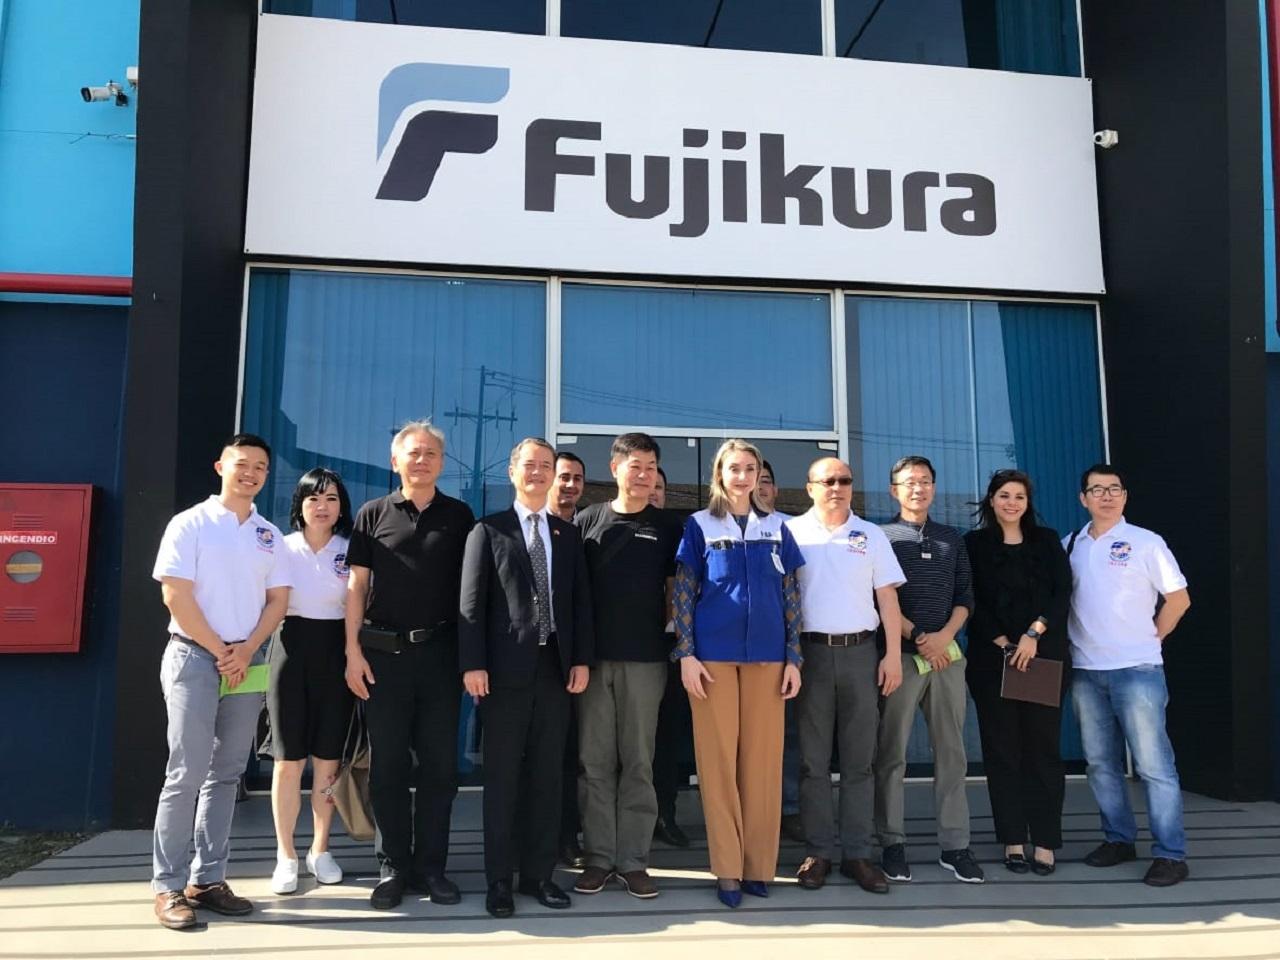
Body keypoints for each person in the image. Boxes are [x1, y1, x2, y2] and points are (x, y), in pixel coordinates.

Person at [150, 434, 291, 930]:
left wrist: (246, 650)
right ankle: (167, 886)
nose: (250, 473)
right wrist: (220, 650)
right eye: (241, 464)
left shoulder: (268, 534)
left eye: (260, 467)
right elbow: (175, 595)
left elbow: (278, 601)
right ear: (220, 467)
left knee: (227, 773)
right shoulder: (189, 523)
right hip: (193, 656)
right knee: (185, 772)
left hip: (247, 662)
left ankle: (207, 879)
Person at [460, 438, 595, 919]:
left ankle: (539, 875)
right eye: (530, 465)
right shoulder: (488, 530)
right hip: (502, 673)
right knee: (502, 778)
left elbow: (579, 603)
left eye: (546, 466)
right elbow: (471, 604)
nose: (538, 472)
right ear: (513, 471)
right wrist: (473, 664)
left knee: (547, 776)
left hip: (555, 670)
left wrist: (581, 659)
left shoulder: (567, 534)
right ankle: (499, 880)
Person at [343, 421, 475, 910]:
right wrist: (352, 652)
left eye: (431, 454)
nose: (422, 460)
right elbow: (356, 587)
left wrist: (470, 659)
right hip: (383, 659)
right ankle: (393, 866)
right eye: (413, 453)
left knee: (440, 769)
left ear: (442, 463)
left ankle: (432, 867)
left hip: (441, 657)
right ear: (395, 461)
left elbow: (471, 591)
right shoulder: (372, 513)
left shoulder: (459, 516)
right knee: (388, 768)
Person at [672, 438, 805, 908]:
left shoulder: (778, 527)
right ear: (720, 474)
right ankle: (727, 868)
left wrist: (794, 657)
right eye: (735, 468)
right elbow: (684, 592)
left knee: (763, 767)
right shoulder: (700, 525)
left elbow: (792, 595)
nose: (743, 476)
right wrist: (686, 654)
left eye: (751, 468)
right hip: (712, 660)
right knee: (718, 765)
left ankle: (757, 867)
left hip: (769, 658)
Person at [1066, 464, 1192, 887]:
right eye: (1096, 489)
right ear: (1083, 498)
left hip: (1137, 670)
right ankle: (1118, 839)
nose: (1106, 496)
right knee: (1101, 764)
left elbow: (1178, 599)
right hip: (1086, 671)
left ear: (1124, 496)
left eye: (1114, 489)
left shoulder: (1146, 542)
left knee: (1154, 766)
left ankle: (1170, 854)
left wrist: (1152, 637)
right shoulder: (1070, 545)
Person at [573, 433, 683, 899]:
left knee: (639, 761)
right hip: (595, 662)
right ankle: (599, 857)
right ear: (615, 468)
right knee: (594, 762)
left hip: (647, 660)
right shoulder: (587, 520)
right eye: (635, 465)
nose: (644, 475)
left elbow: (677, 593)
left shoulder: (669, 527)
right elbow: (575, 595)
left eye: (651, 467)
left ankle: (634, 860)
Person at [787, 458, 904, 894]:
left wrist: (893, 656)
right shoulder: (791, 532)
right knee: (812, 762)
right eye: (827, 481)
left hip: (861, 654)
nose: (836, 487)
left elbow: (887, 600)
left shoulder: (871, 534)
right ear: (810, 487)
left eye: (844, 481)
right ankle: (818, 852)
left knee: (860, 762)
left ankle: (858, 854)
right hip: (810, 655)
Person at [876, 456, 983, 883]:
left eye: (924, 481)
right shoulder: (880, 537)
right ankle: (892, 843)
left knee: (952, 753)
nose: (917, 488)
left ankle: (955, 846)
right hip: (900, 658)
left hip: (946, 657)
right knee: (892, 754)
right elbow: (879, 598)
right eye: (908, 482)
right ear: (894, 490)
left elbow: (965, 596)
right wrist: (920, 636)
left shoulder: (951, 538)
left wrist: (944, 638)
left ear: (934, 488)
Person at [963, 469, 1072, 876]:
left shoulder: (1047, 540)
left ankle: (1045, 840)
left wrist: (1032, 635)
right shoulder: (973, 544)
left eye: (1019, 497)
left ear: (1028, 503)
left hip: (1042, 658)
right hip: (993, 663)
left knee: (1043, 751)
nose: (1012, 503)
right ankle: (1012, 838)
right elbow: (970, 599)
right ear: (991, 500)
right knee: (1002, 752)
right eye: (1004, 495)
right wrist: (1005, 643)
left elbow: (1062, 592)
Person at [268, 468, 356, 895]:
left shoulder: (351, 549)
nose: (322, 507)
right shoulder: (280, 548)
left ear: (342, 507)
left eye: (331, 499)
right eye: (313, 499)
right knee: (288, 761)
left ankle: (320, 849)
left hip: (337, 654)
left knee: (328, 760)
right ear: (299, 505)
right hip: (290, 651)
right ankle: (285, 854)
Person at [757, 459, 803, 844]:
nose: (759, 487)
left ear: (776, 489)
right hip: (741, 650)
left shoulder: (792, 529)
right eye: (752, 478)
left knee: (789, 733)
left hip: (790, 647)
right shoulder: (719, 526)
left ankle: (788, 809)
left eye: (766, 480)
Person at [650, 466, 694, 848]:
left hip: (675, 649)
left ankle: (665, 814)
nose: (653, 491)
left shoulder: (678, 532)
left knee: (667, 737)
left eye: (660, 486)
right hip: (633, 649)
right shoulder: (614, 527)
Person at [547, 449, 587, 866]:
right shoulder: (528, 529)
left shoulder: (584, 529)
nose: (570, 485)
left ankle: (567, 836)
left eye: (577, 478)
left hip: (574, 664)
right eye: (564, 477)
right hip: (533, 663)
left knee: (571, 754)